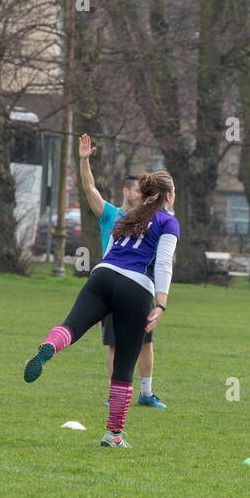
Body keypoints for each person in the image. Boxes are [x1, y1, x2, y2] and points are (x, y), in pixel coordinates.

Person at [23, 170, 178, 448]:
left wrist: (102, 303)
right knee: (123, 368)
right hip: (137, 287)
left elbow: (112, 250)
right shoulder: (168, 222)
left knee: (70, 327)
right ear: (168, 196)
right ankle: (113, 434)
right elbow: (165, 262)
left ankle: (49, 345)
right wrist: (162, 304)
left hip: (102, 275)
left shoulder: (127, 215)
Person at [78, 133, 165, 409]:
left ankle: (146, 393)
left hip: (140, 287)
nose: (144, 194)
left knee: (145, 343)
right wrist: (84, 161)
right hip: (112, 285)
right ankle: (113, 395)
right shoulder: (110, 214)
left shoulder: (151, 219)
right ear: (128, 192)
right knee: (115, 344)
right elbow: (90, 188)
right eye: (139, 189)